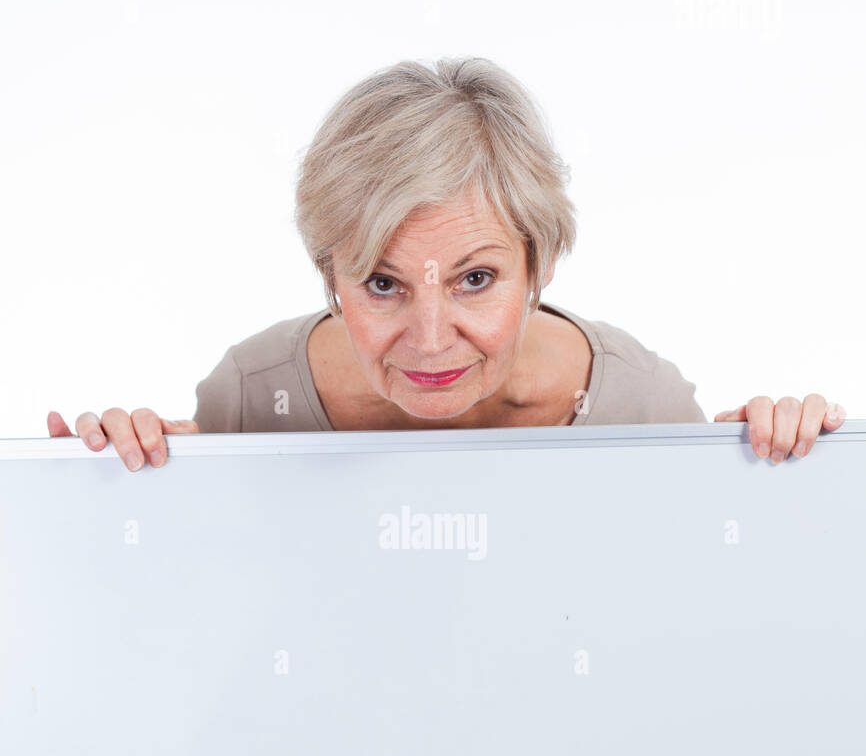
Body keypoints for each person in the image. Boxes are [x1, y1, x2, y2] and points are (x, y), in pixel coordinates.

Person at [48, 57, 846, 465]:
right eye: (383, 283)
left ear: (540, 268)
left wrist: (787, 467)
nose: (431, 340)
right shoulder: (253, 398)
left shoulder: (640, 403)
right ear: (331, 277)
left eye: (475, 279)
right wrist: (107, 487)